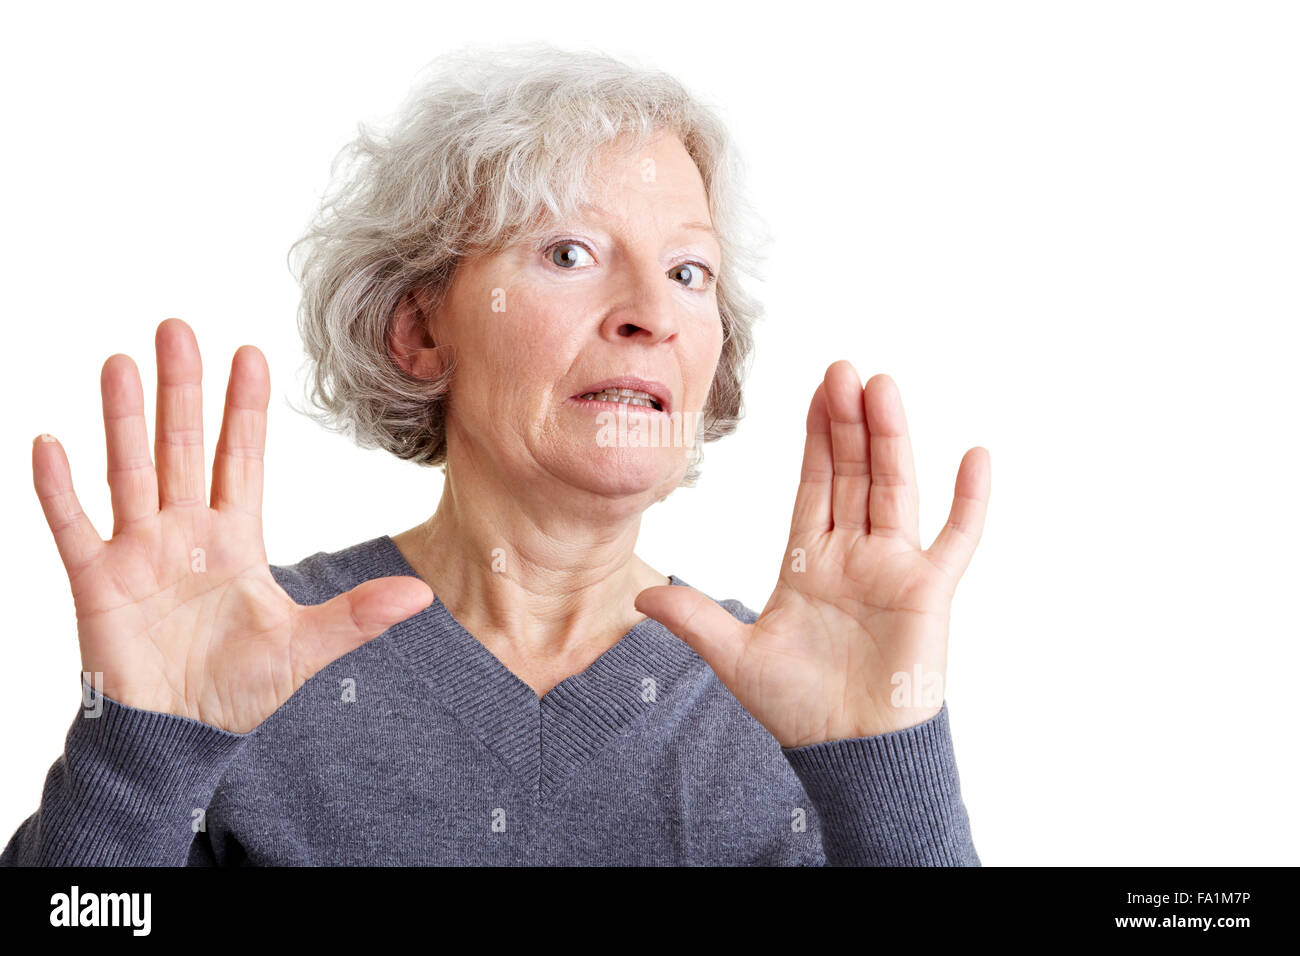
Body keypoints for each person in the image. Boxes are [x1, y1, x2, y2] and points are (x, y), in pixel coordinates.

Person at [1, 44, 990, 866]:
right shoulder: (243, 655)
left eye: (690, 271)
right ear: (420, 330)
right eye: (567, 253)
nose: (650, 311)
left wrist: (886, 772)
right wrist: (140, 751)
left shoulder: (802, 702)